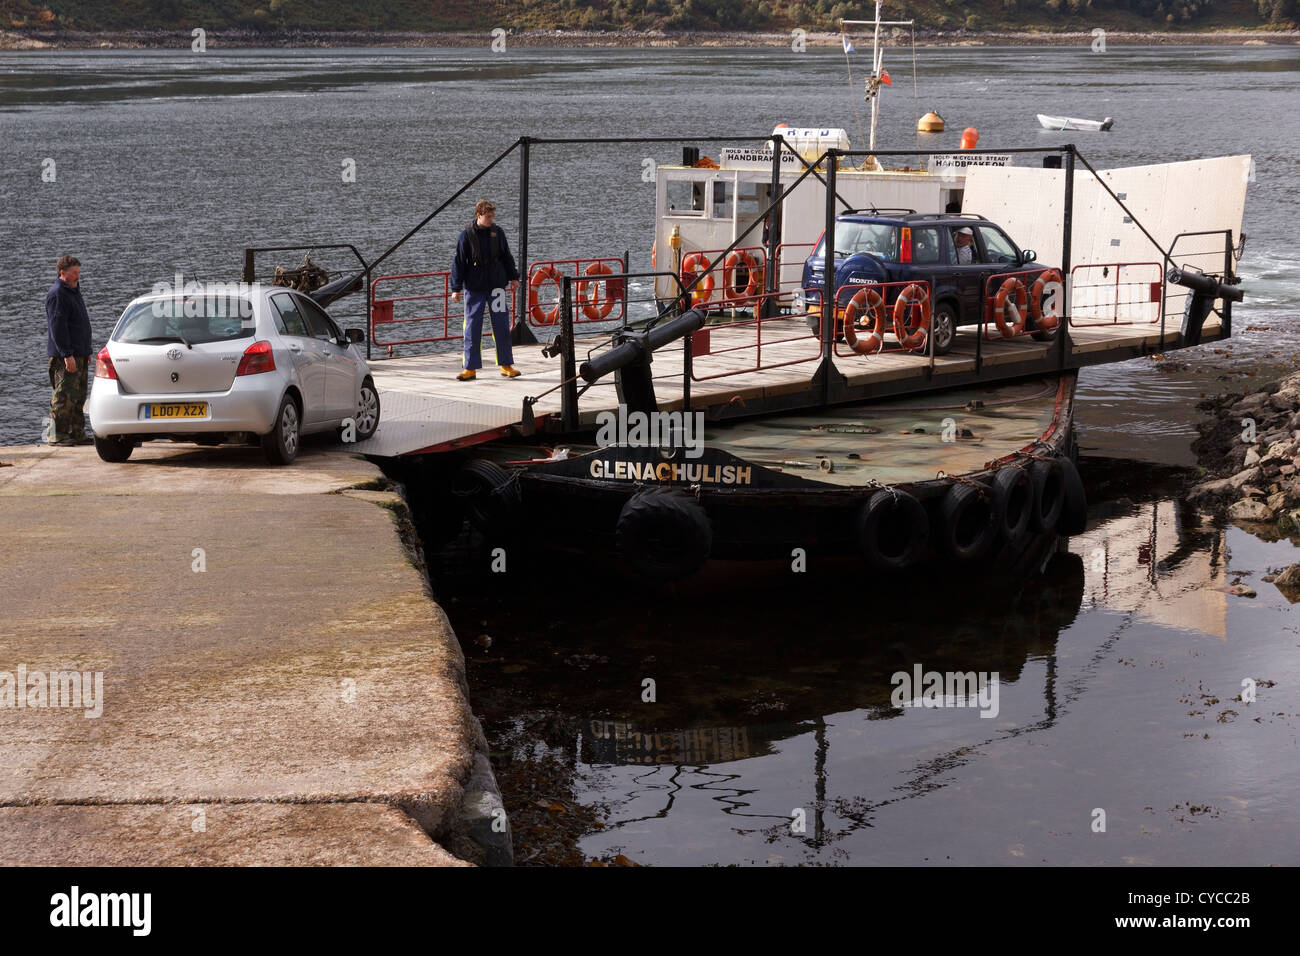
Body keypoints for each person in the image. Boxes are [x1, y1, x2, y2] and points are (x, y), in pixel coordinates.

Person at [450, 200, 521, 381]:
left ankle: (506, 365)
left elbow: (507, 256)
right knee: (472, 326)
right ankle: (470, 368)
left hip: (496, 285)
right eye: (488, 216)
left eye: (492, 216)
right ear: (478, 215)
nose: (491, 219)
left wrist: (514, 277)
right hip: (475, 287)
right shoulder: (466, 235)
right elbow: (458, 262)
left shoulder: (498, 233)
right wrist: (456, 288)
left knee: (502, 325)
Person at [45, 255, 94, 446]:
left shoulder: (73, 291)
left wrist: (87, 350)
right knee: (63, 394)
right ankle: (56, 434)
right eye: (74, 273)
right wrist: (67, 354)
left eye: (79, 273)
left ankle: (76, 432)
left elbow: (80, 323)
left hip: (80, 353)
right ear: (62, 272)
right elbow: (58, 328)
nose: (77, 276)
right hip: (65, 356)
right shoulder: (58, 294)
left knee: (79, 395)